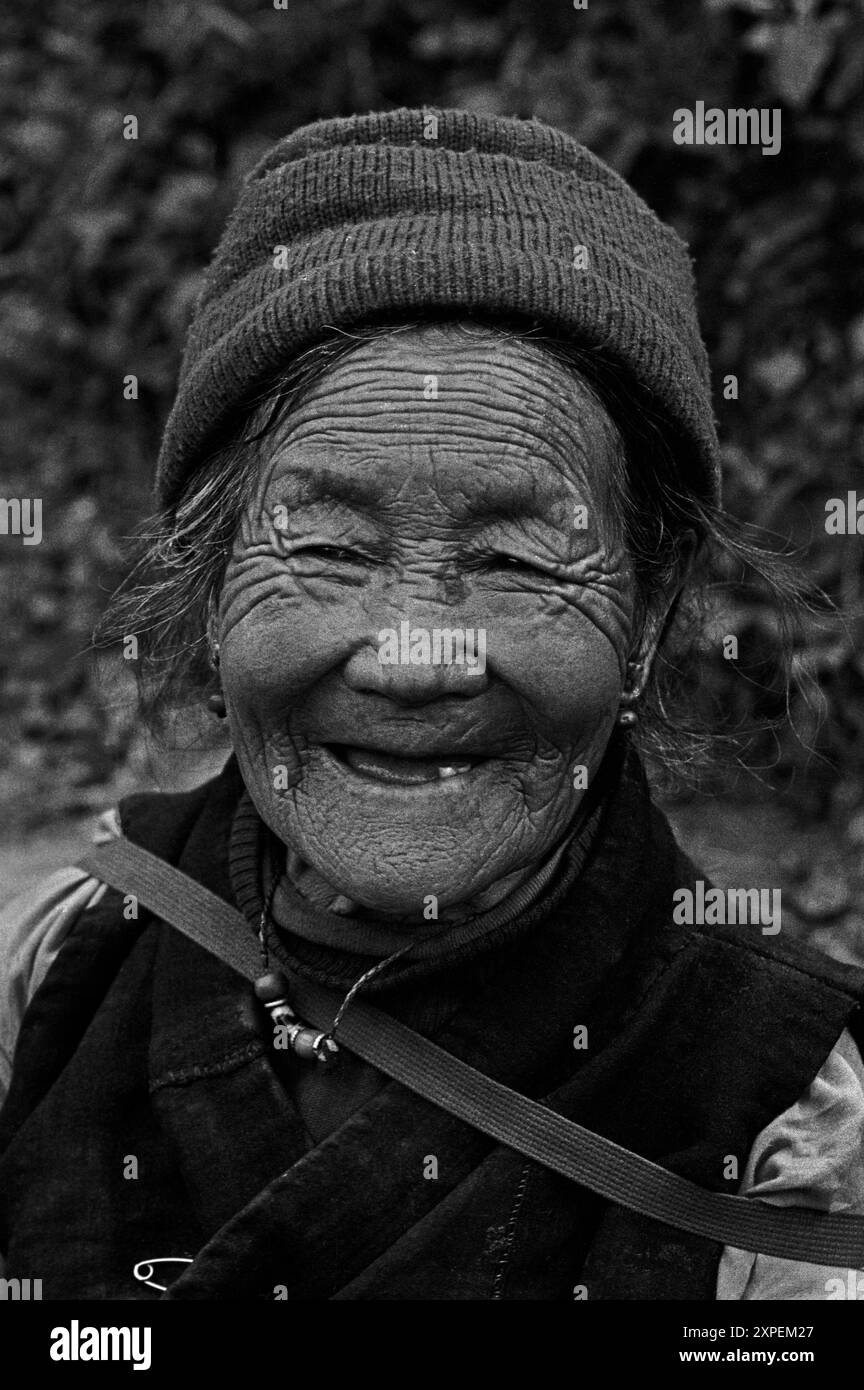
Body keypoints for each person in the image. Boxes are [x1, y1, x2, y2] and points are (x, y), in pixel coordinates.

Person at [1, 108, 862, 1301]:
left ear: (649, 614)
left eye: (516, 560)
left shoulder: (789, 1110)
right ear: (208, 589)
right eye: (332, 547)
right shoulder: (56, 966)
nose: (414, 656)